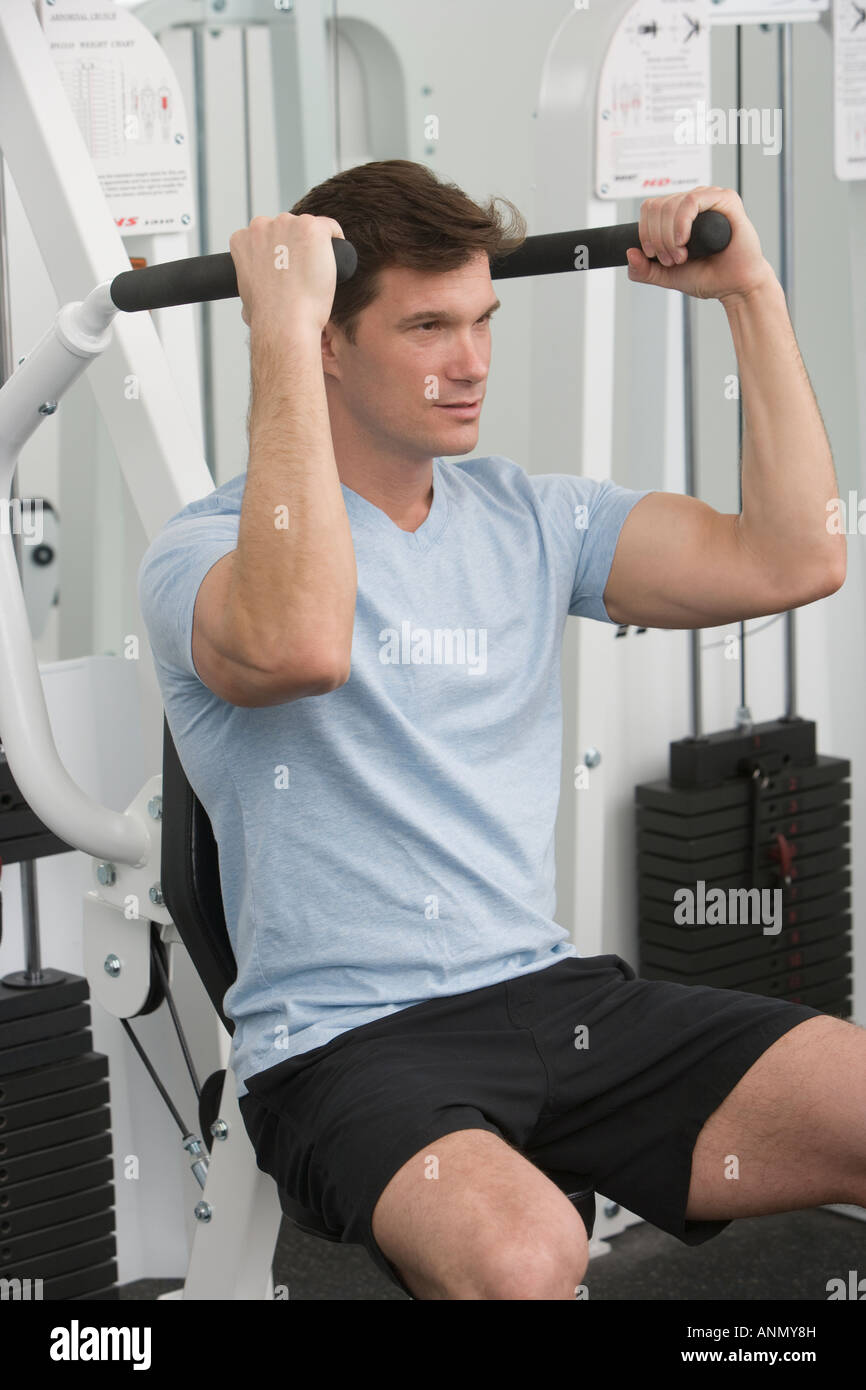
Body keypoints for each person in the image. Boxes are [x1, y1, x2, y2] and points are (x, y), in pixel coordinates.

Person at [138, 159, 860, 1301]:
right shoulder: (203, 550)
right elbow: (298, 643)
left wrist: (748, 294)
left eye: (481, 320)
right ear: (331, 340)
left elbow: (796, 553)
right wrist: (275, 329)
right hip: (344, 1045)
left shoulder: (532, 517)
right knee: (527, 1256)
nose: (471, 362)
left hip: (555, 998)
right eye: (427, 326)